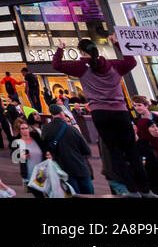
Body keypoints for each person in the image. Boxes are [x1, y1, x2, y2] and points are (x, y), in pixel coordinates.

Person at [51, 34, 150, 194]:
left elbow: (56, 65)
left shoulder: (81, 67)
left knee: (114, 152)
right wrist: (117, 44)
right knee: (131, 150)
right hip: (120, 112)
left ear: (82, 52)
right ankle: (145, 189)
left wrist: (61, 49)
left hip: (100, 114)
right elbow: (132, 62)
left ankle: (132, 190)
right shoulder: (112, 65)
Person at [41, 110, 94, 195]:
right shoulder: (74, 131)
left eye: (69, 121)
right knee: (87, 193)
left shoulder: (49, 131)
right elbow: (87, 150)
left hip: (65, 170)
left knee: (74, 194)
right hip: (80, 168)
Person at [136, 118, 158, 196]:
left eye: (156, 126)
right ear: (144, 129)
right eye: (152, 127)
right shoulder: (142, 147)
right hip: (155, 188)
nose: (156, 129)